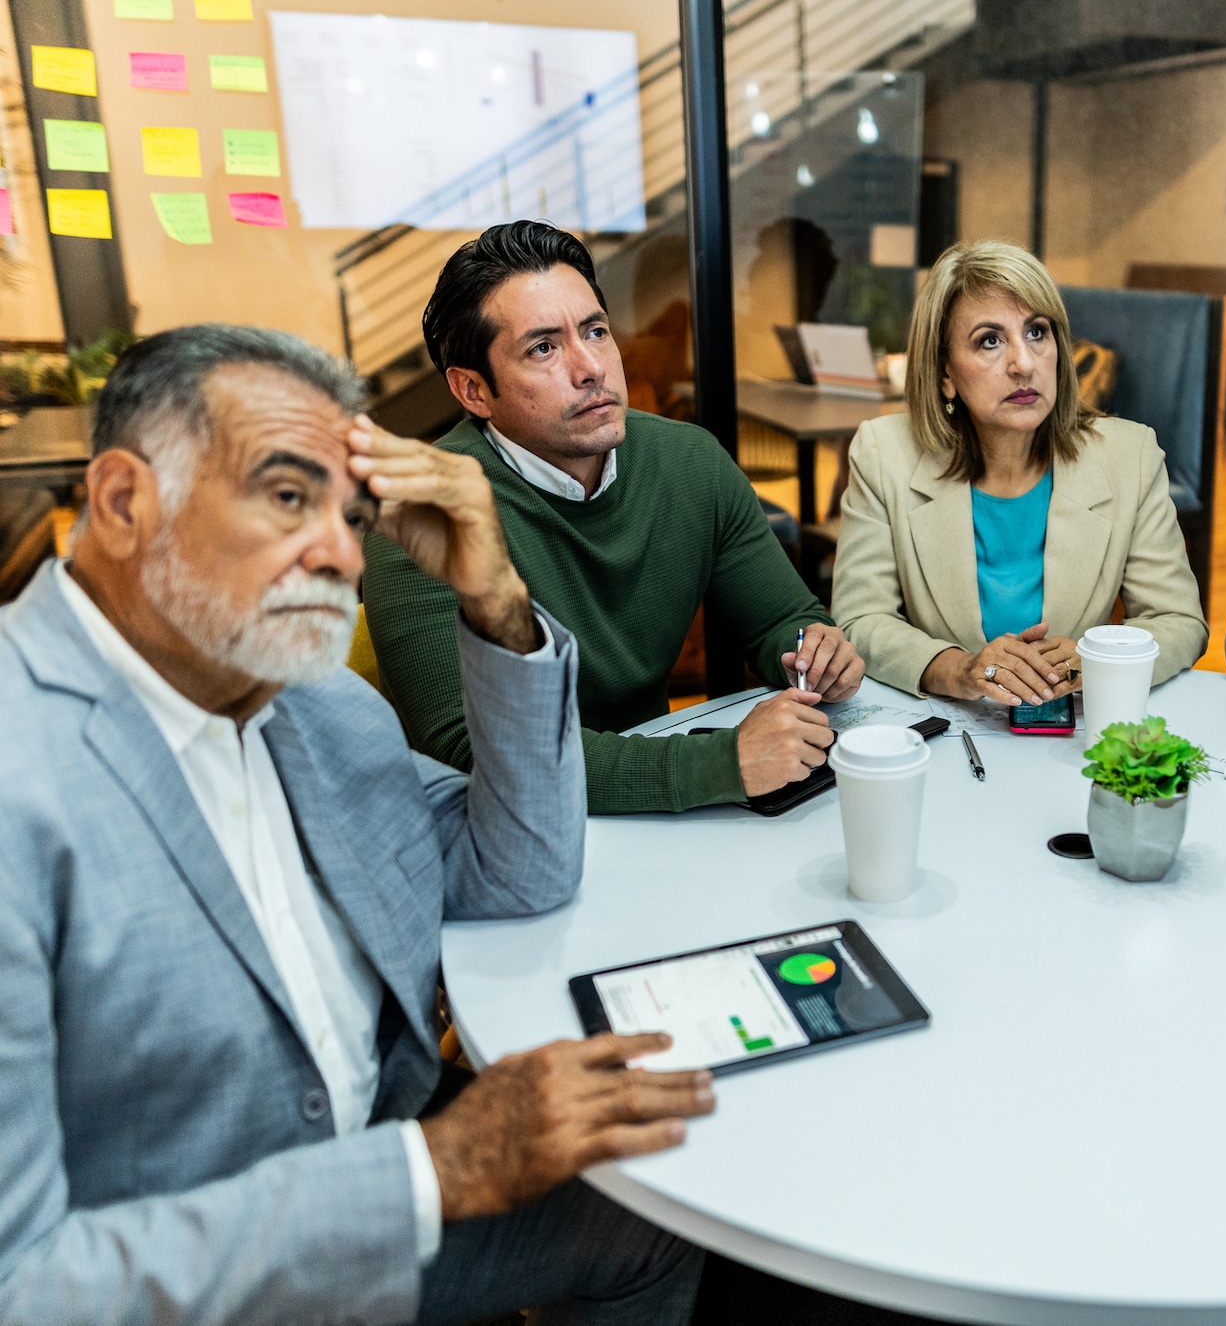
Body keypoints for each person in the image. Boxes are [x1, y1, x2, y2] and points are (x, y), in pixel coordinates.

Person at [0, 325, 716, 1324]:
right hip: (171, 1284)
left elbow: (521, 873)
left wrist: (495, 594)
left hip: (377, 1211)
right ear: (126, 503)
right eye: (289, 497)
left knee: (655, 1211)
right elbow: (21, 1286)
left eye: (356, 512)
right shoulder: (19, 771)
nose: (345, 553)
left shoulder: (322, 709)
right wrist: (426, 1174)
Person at [363, 221, 865, 814]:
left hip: (653, 806)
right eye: (543, 348)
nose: (591, 367)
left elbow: (782, 619)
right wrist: (718, 764)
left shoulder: (689, 461)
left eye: (596, 331)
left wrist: (813, 652)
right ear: (473, 391)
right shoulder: (423, 515)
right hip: (505, 837)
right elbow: (468, 753)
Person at [831, 240, 1205, 707]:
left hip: (1074, 736)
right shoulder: (884, 453)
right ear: (945, 373)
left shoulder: (1129, 456)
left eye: (1037, 333)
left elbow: (1179, 621)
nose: (1023, 364)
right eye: (990, 340)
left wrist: (1099, 662)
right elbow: (859, 618)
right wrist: (956, 669)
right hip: (948, 731)